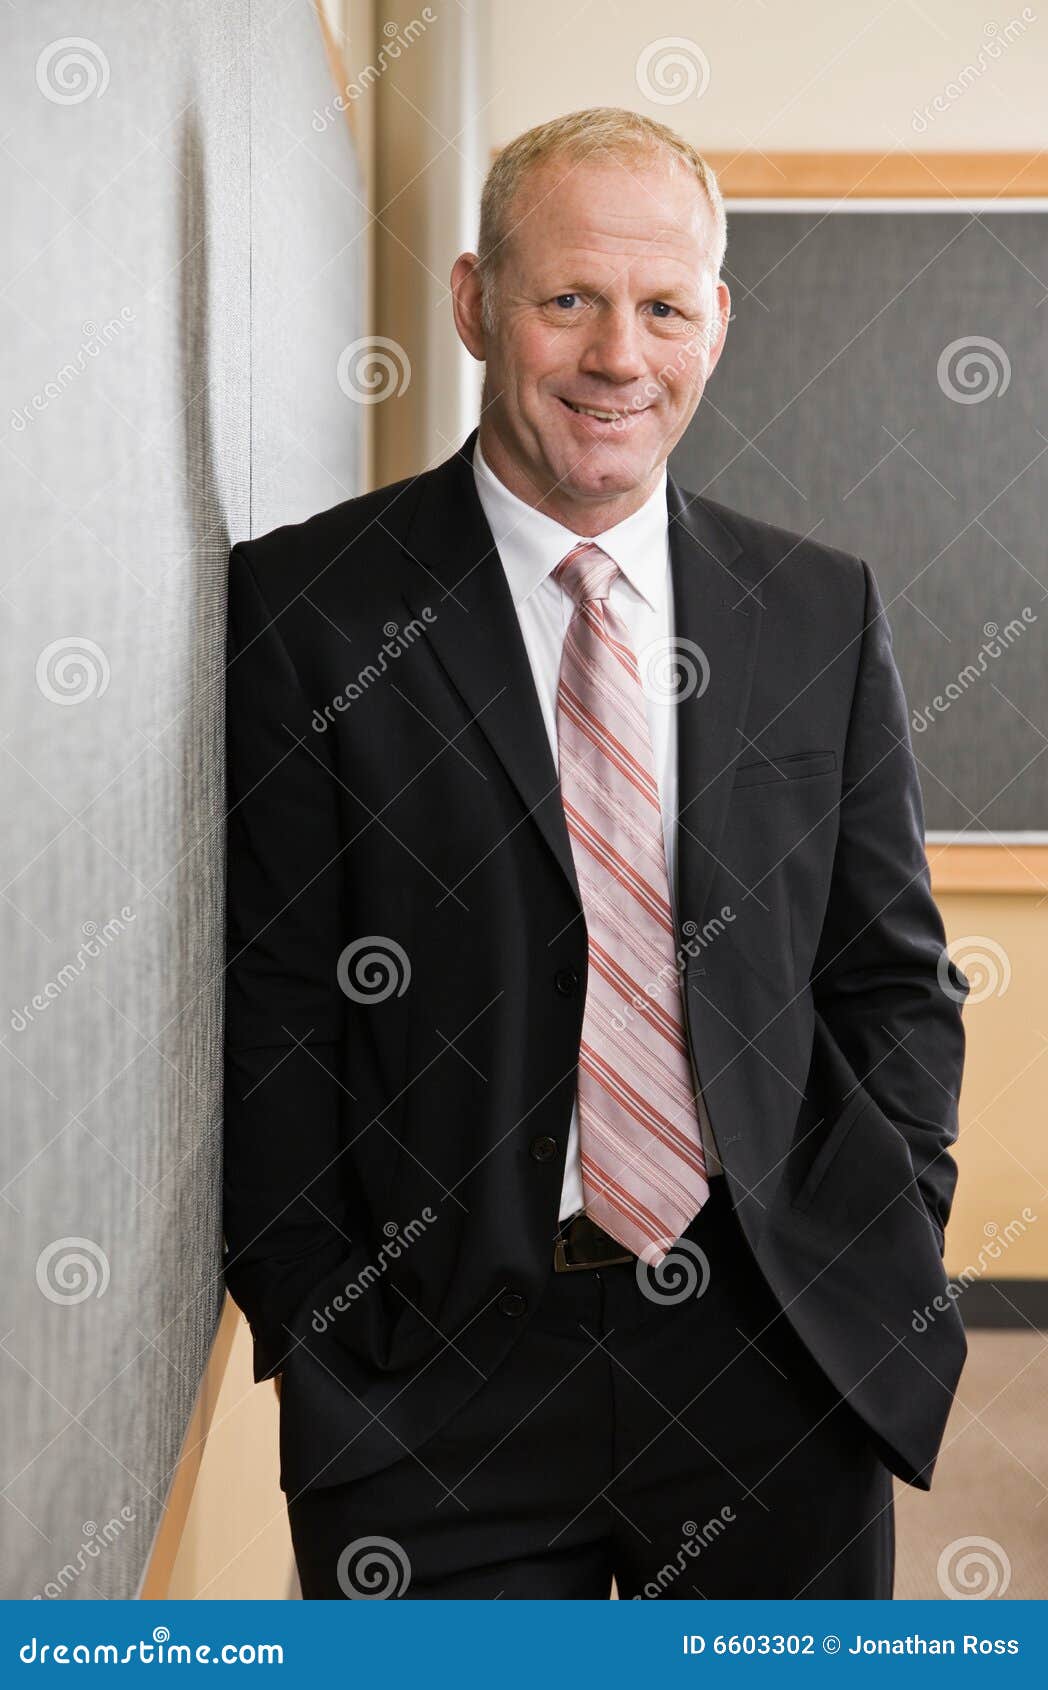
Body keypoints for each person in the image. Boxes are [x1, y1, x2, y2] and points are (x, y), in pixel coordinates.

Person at [222, 106, 969, 1600]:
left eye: (664, 307)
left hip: (775, 1356)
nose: (619, 355)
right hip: (435, 1385)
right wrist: (323, 1315)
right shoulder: (310, 605)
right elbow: (274, 998)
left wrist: (883, 1212)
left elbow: (886, 970)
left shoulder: (816, 609)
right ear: (475, 305)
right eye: (569, 299)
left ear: (717, 322)